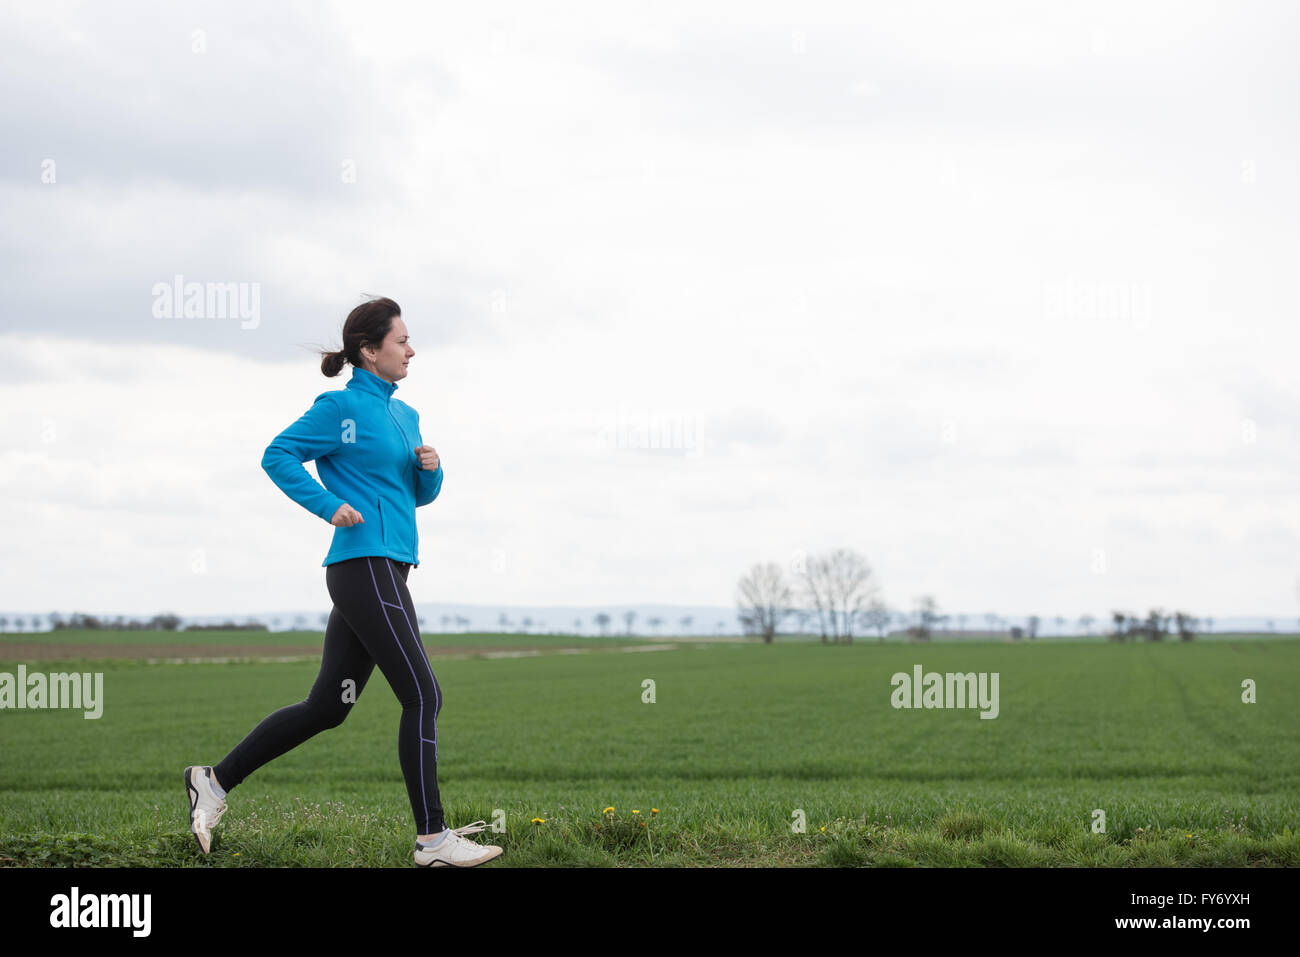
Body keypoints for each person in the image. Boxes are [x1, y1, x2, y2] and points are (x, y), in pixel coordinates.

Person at [183, 296, 502, 868]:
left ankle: (213, 780)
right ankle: (433, 841)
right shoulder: (338, 408)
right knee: (423, 694)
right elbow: (277, 455)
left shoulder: (406, 416)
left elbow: (415, 497)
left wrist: (432, 471)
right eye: (401, 340)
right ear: (368, 350)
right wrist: (328, 505)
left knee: (329, 705)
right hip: (363, 565)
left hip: (389, 566)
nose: (411, 349)